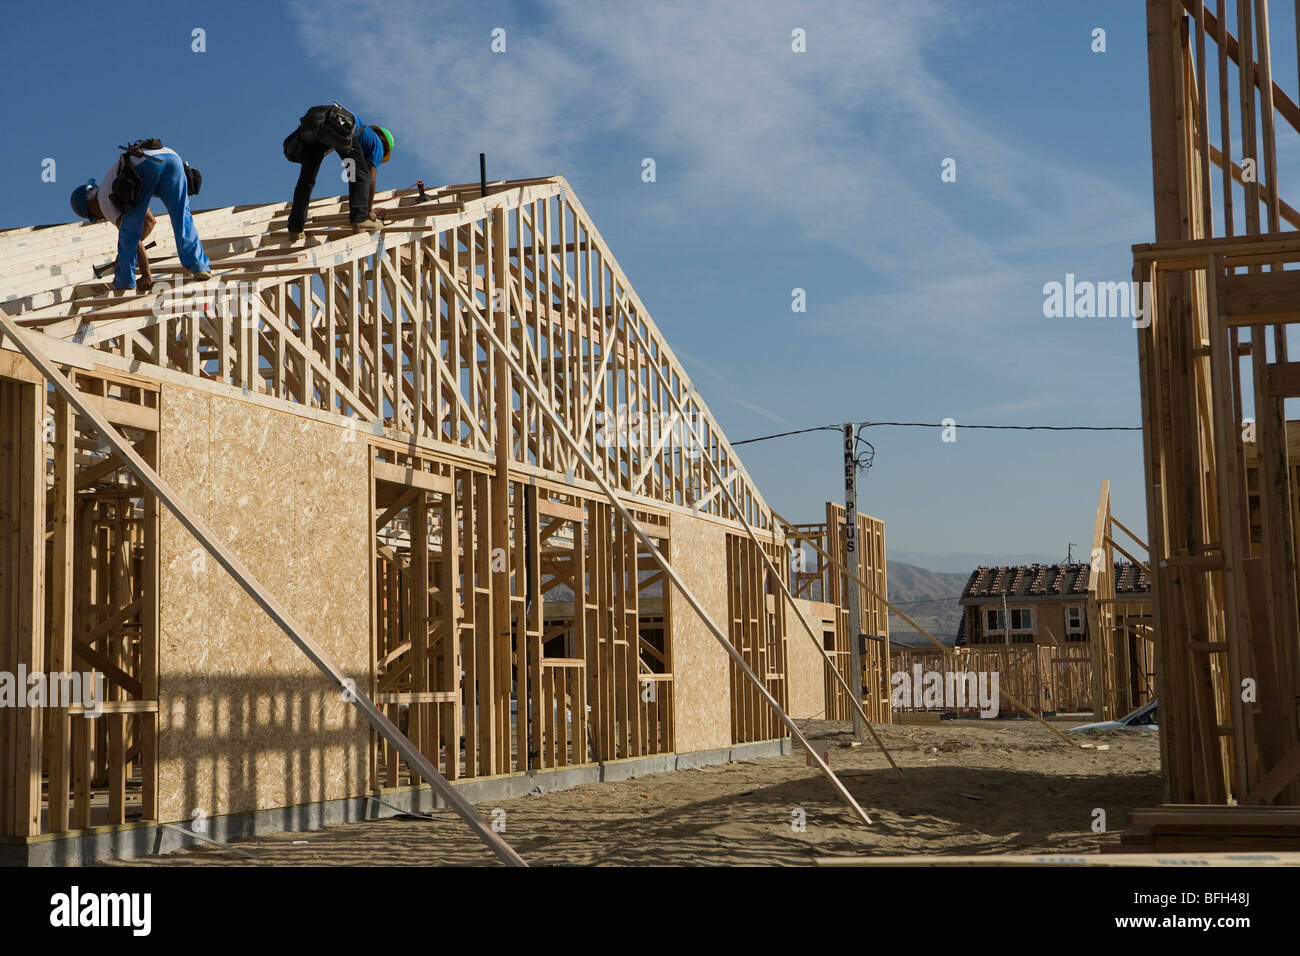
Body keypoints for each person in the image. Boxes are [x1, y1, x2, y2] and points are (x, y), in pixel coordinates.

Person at [69, 143, 211, 291]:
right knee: (182, 216)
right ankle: (199, 266)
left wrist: (145, 273)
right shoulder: (109, 184)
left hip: (146, 164)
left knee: (127, 235)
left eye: (95, 217)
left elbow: (132, 236)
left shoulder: (103, 202)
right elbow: (149, 221)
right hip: (172, 159)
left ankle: (125, 280)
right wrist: (132, 252)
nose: (100, 218)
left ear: (90, 207)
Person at [285, 107, 393, 241]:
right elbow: (371, 180)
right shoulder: (378, 144)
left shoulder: (364, 135)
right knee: (361, 173)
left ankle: (295, 229)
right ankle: (360, 220)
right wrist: (369, 210)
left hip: (314, 124)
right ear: (385, 146)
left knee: (306, 181)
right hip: (338, 122)